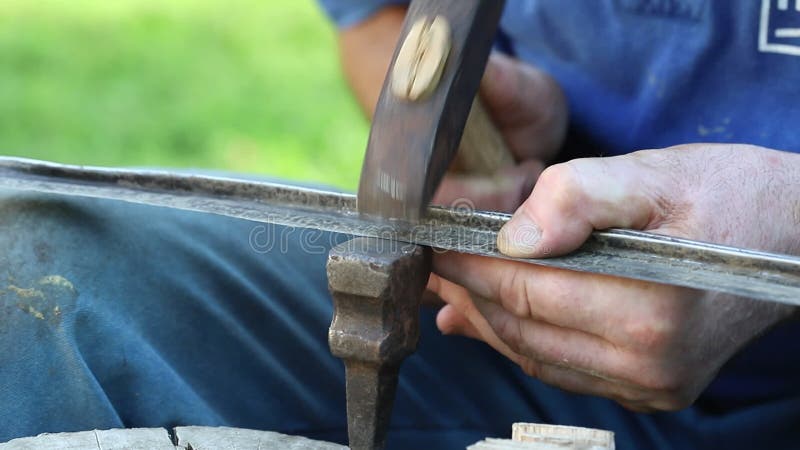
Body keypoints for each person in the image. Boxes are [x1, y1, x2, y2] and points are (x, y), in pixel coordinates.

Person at [0, 1, 797, 449]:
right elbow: (381, 24)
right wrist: (490, 125)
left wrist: (784, 221)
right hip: (505, 332)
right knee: (32, 269)